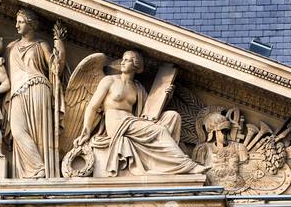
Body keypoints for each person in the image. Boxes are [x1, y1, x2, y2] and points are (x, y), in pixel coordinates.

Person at [73, 50, 204, 178]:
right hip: (116, 123)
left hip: (133, 121)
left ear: (136, 65)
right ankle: (187, 165)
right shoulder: (110, 81)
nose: (122, 62)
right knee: (160, 131)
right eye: (123, 59)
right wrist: (86, 132)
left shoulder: (137, 87)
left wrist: (166, 96)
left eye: (127, 60)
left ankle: (164, 163)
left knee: (173, 116)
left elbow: (150, 111)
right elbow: (92, 106)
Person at [8, 9, 63, 178]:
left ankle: (41, 171)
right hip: (16, 92)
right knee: (17, 130)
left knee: (37, 133)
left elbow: (56, 69)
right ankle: (37, 167)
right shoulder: (11, 47)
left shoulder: (41, 45)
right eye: (16, 21)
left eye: (21, 21)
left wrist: (58, 41)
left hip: (37, 89)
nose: (16, 25)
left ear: (30, 23)